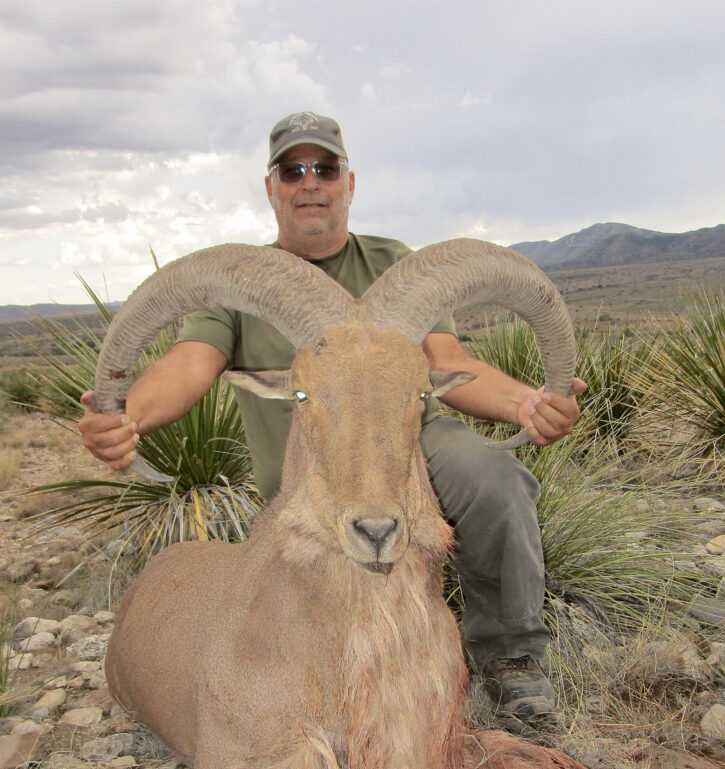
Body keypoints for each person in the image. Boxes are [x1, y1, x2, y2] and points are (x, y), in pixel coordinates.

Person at [79, 112, 585, 729]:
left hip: (409, 448)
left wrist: (526, 405)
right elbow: (189, 362)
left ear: (350, 183)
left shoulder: (394, 264)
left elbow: (447, 362)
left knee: (494, 478)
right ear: (272, 188)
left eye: (326, 168)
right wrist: (126, 417)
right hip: (312, 473)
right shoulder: (241, 284)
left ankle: (511, 657)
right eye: (294, 170)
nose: (310, 182)